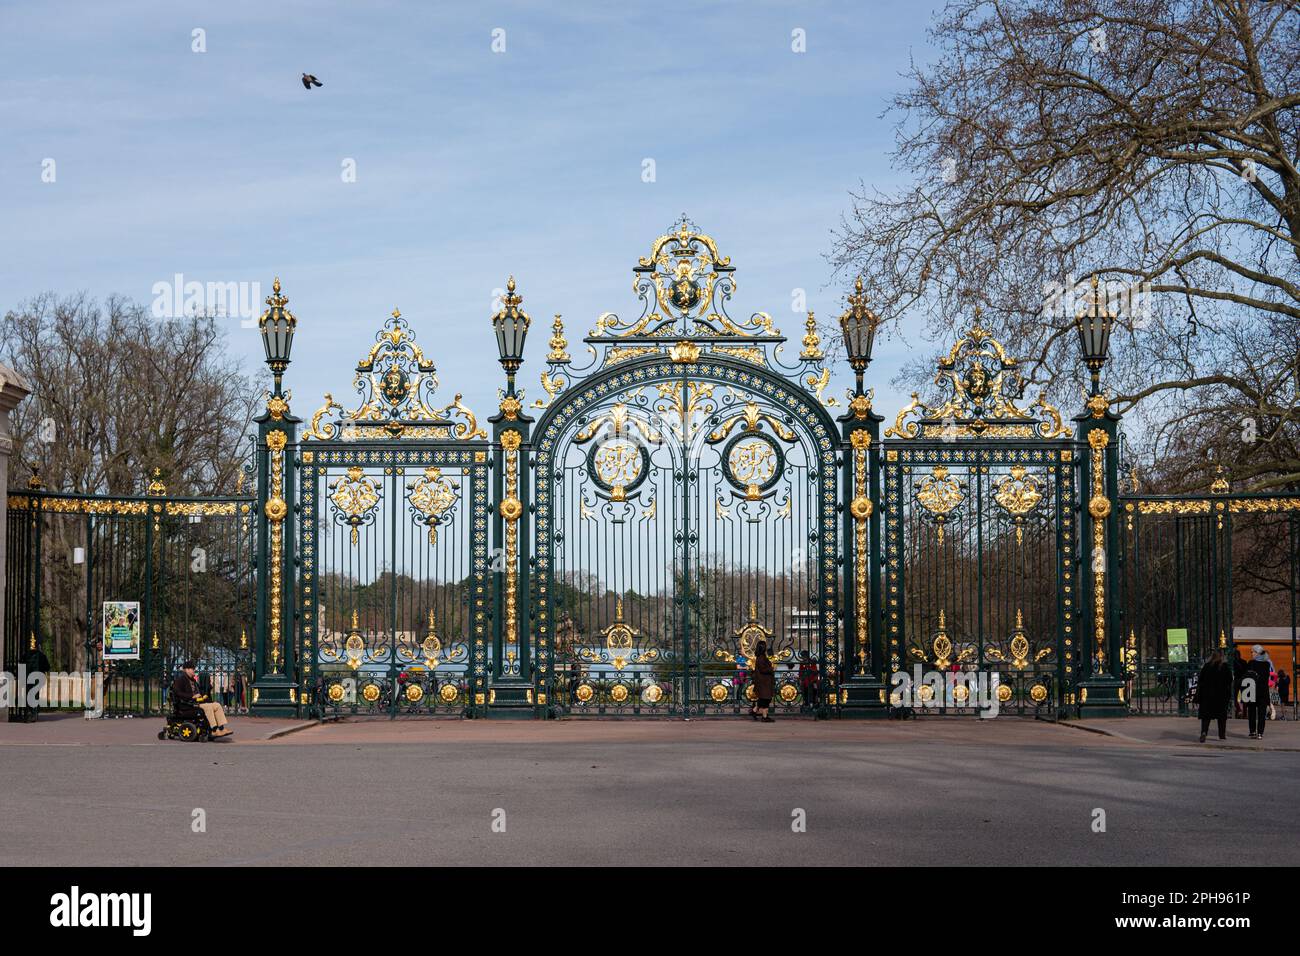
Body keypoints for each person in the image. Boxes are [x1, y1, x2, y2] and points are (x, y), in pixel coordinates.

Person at [170, 660, 232, 737]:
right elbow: (178, 693)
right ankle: (214, 730)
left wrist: (204, 696)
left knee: (217, 705)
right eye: (193, 669)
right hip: (186, 706)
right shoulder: (180, 680)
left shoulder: (193, 680)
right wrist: (192, 696)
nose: (194, 670)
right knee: (208, 707)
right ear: (187, 669)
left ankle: (221, 729)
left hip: (196, 703)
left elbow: (199, 692)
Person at [1195, 650, 1233, 742]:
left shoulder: (1207, 666)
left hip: (1207, 696)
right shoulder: (1224, 667)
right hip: (1221, 696)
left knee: (1206, 717)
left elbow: (1200, 680)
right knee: (1221, 717)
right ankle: (1222, 735)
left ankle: (1204, 732)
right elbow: (1230, 680)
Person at [1244, 644, 1272, 740]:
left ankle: (1252, 731)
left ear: (1258, 653)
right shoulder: (1267, 664)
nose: (1251, 654)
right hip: (1263, 691)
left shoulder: (1251, 663)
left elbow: (1247, 676)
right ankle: (1260, 732)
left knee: (1252, 712)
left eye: (1253, 652)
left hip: (1252, 690)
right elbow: (1266, 678)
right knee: (1261, 713)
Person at [751, 640, 776, 723]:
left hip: (764, 681)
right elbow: (763, 669)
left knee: (764, 699)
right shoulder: (761, 657)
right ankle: (764, 716)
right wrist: (771, 668)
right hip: (764, 682)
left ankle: (756, 712)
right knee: (766, 699)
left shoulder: (761, 656)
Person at [1232, 646, 1248, 718]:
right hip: (1243, 680)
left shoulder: (1233, 663)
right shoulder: (1244, 662)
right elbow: (1246, 672)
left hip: (1236, 680)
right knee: (1244, 698)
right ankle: (1244, 713)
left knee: (1234, 697)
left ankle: (1238, 710)